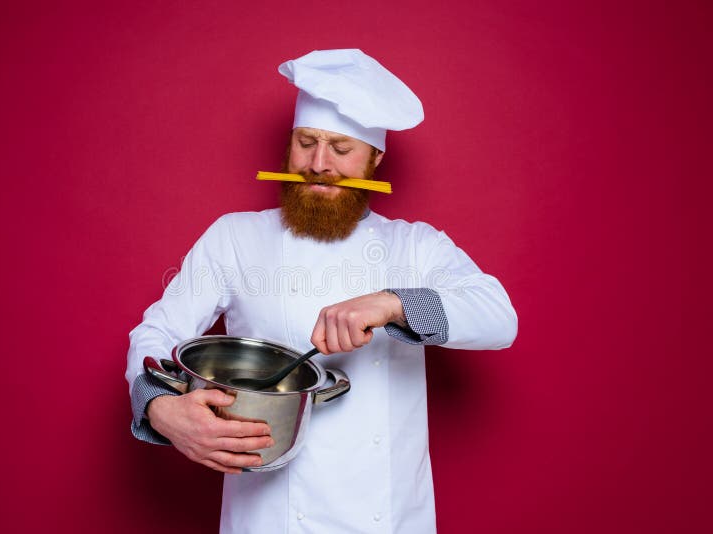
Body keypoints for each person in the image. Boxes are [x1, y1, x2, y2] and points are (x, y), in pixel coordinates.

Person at [126, 49, 517, 533]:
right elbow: (159, 330)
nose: (318, 165)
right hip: (269, 519)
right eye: (305, 142)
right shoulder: (236, 237)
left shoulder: (416, 247)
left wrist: (392, 304)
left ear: (375, 158)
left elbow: (499, 317)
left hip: (389, 520)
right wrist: (159, 408)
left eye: (341, 148)